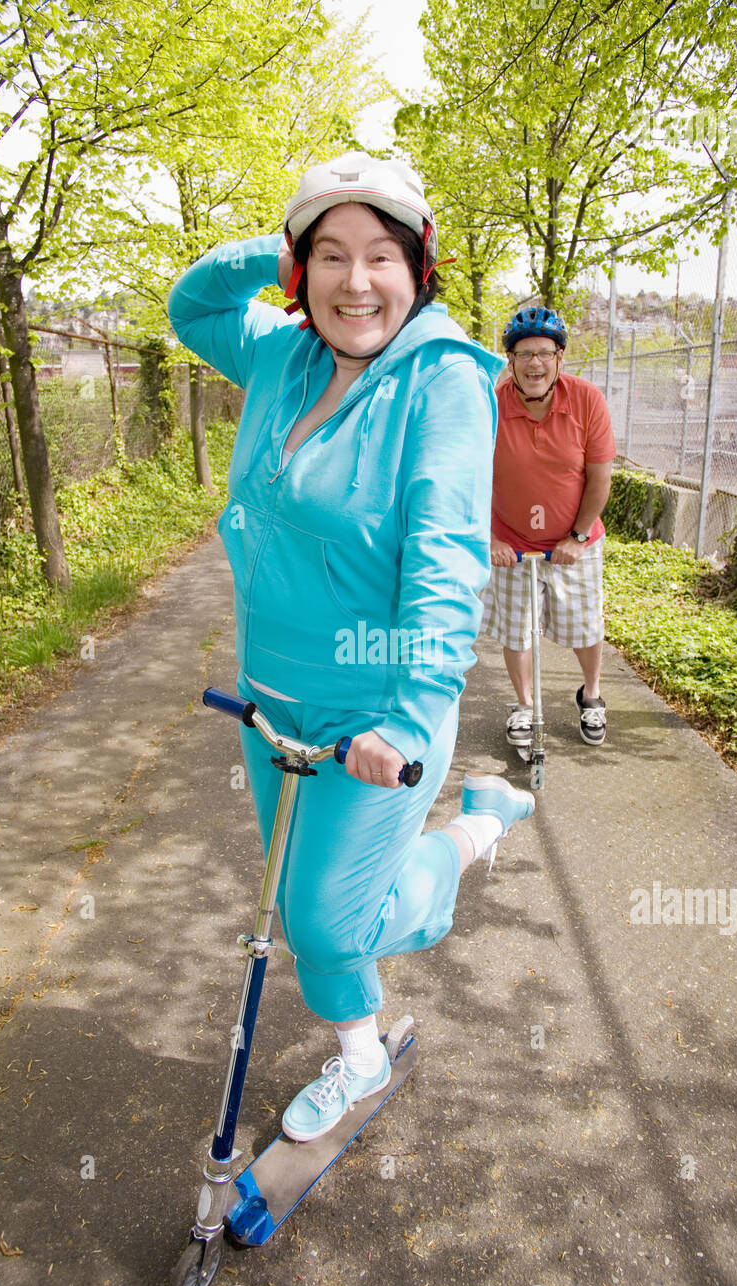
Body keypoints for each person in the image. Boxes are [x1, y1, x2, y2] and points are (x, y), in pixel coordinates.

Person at [168, 152, 534, 1144]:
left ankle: (475, 828)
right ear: (299, 273)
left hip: (374, 717)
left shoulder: (441, 382)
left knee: (334, 919)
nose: (355, 280)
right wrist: (273, 246)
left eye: (380, 254)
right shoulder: (282, 356)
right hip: (267, 700)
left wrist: (408, 723)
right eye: (329, 255)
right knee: (298, 906)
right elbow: (192, 306)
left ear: (417, 270)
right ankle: (361, 1054)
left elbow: (448, 560)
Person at [481, 306, 616, 747]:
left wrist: (577, 537)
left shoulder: (586, 400)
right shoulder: (492, 406)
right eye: (524, 354)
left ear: (559, 359)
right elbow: (469, 475)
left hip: (574, 541)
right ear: (511, 362)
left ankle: (592, 695)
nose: (534, 363)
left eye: (544, 353)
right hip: (512, 543)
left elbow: (599, 477)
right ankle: (524, 705)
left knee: (585, 625)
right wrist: (491, 537)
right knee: (515, 629)